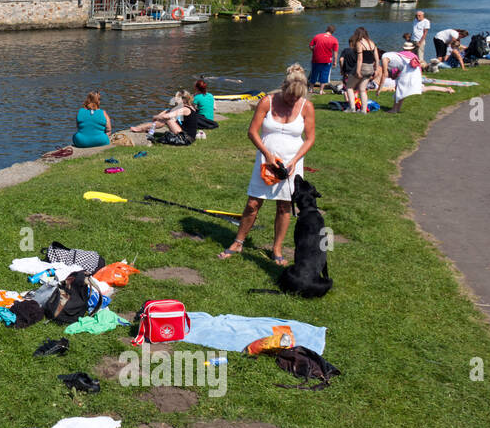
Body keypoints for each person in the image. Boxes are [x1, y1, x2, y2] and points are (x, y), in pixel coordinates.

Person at [218, 64, 315, 266]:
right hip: (266, 160)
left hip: (291, 164)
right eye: (290, 97)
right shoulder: (267, 102)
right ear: (283, 88)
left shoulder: (306, 106)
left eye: (297, 98)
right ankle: (238, 242)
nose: (292, 101)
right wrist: (267, 155)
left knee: (284, 206)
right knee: (253, 203)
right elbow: (252, 132)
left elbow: (310, 138)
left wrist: (295, 162)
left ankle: (277, 248)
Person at [128, 91, 198, 142]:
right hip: (188, 135)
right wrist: (162, 114)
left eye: (177, 98)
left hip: (186, 137)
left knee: (168, 119)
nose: (175, 100)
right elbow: (170, 111)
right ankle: (143, 128)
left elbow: (167, 116)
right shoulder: (189, 107)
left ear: (183, 100)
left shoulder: (185, 109)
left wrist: (155, 117)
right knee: (166, 117)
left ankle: (141, 128)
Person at [383, 40, 424, 113]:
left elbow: (396, 66)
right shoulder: (414, 56)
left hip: (402, 75)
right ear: (412, 49)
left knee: (399, 92)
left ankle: (394, 109)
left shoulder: (400, 54)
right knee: (402, 92)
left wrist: (393, 75)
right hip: (412, 76)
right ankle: (397, 108)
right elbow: (418, 67)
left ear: (404, 48)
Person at [347, 27, 380, 112]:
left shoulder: (359, 43)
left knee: (349, 87)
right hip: (370, 68)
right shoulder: (372, 43)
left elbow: (360, 59)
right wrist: (376, 70)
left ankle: (352, 108)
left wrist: (358, 71)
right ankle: (364, 110)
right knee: (362, 89)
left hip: (362, 67)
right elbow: (376, 58)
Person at [308, 24, 338, 92]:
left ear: (326, 29)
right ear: (333, 32)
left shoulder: (317, 36)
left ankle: (311, 89)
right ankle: (321, 90)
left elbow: (310, 46)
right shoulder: (334, 40)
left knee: (314, 74)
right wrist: (335, 62)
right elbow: (335, 52)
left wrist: (314, 51)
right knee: (324, 74)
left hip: (316, 59)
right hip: (327, 60)